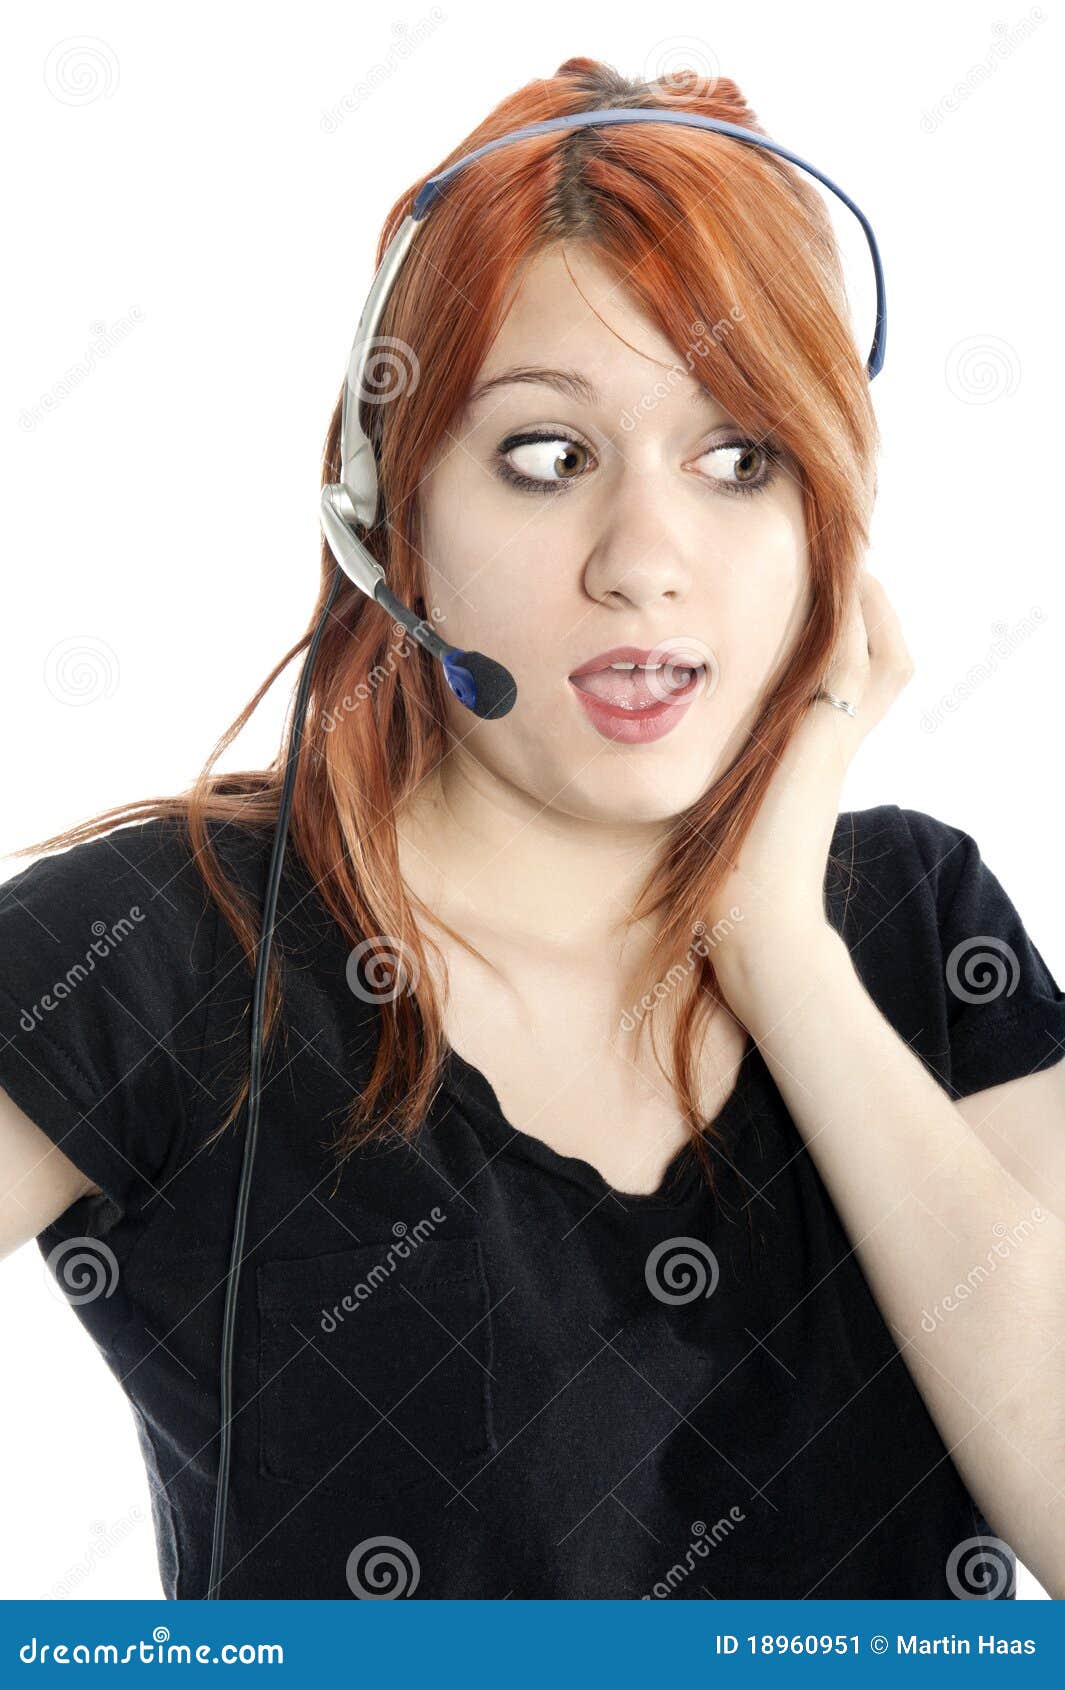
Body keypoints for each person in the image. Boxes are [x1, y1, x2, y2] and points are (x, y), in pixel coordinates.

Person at [2, 57, 1064, 1603]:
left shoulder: (912, 917)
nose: (646, 560)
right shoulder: (150, 948)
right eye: (547, 457)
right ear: (389, 513)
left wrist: (777, 943)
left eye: (737, 457)